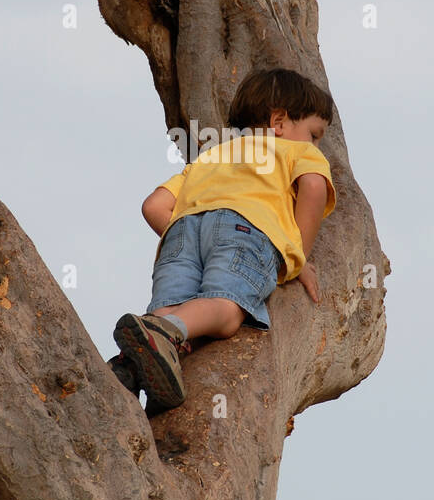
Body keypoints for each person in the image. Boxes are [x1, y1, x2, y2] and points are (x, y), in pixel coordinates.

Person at [110, 68, 337, 415]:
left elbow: (154, 206)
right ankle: (166, 330)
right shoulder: (294, 152)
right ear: (279, 122)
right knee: (228, 307)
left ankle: (130, 366)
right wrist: (298, 257)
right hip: (246, 228)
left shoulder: (211, 158)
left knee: (171, 305)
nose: (316, 145)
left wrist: (188, 239)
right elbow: (314, 186)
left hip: (183, 230)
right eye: (314, 134)